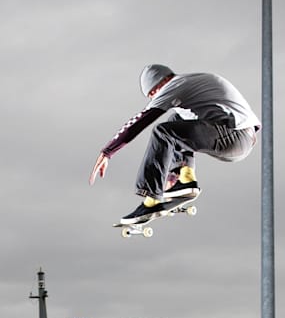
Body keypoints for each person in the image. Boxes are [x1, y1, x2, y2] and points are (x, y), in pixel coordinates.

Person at [89, 63, 261, 226]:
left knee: (163, 131)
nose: (154, 99)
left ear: (158, 86)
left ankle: (151, 198)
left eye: (152, 96)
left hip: (234, 135)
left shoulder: (173, 85)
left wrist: (108, 152)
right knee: (176, 120)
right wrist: (171, 178)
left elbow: (140, 120)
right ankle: (185, 179)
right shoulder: (191, 82)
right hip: (240, 136)